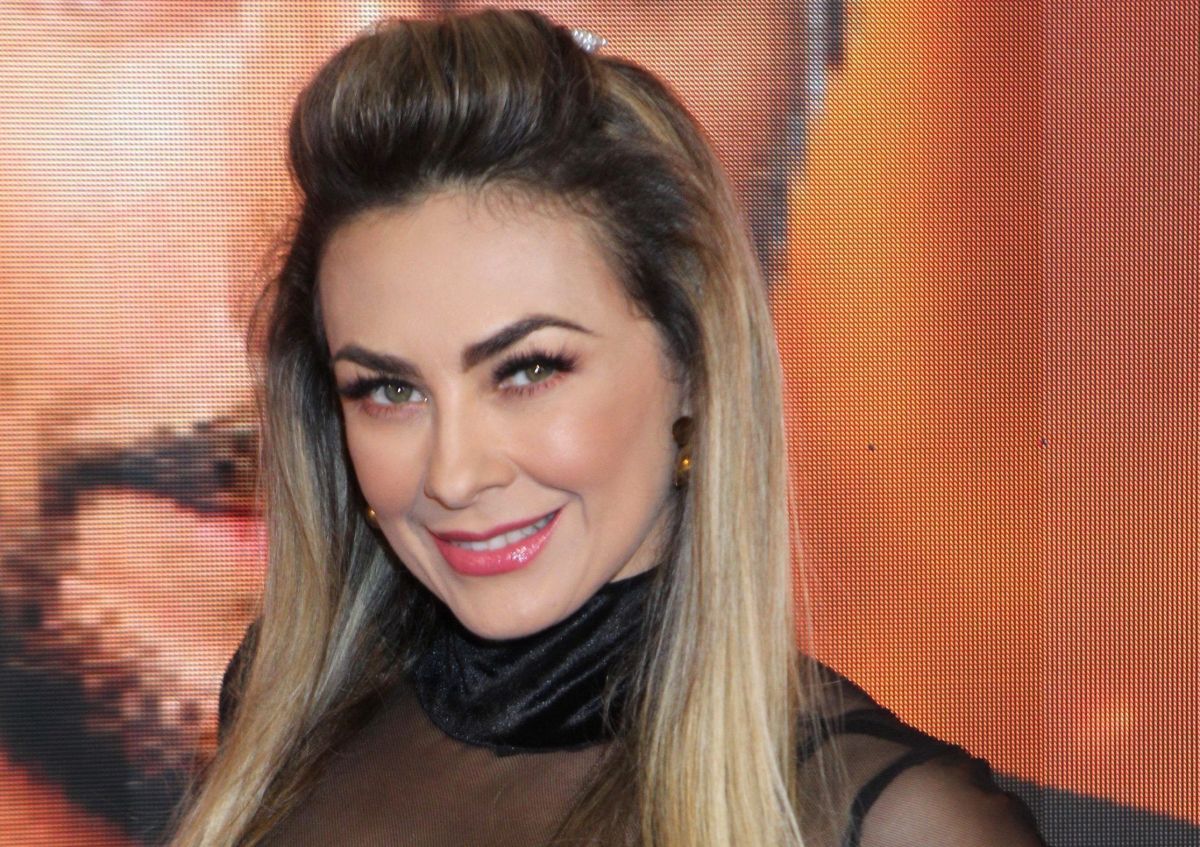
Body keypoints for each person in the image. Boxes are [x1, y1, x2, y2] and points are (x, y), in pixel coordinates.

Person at [168, 9, 1044, 847]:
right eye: (389, 389)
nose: (453, 474)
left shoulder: (892, 822)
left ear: (690, 364)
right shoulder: (291, 716)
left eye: (528, 370)